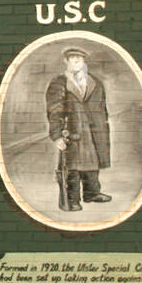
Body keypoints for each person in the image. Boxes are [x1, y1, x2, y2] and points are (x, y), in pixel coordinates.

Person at [45, 47, 111, 211]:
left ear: (84, 61)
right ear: (66, 61)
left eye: (79, 58)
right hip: (73, 131)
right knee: (72, 167)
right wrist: (57, 135)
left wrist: (103, 126)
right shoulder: (59, 83)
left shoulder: (94, 82)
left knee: (92, 162)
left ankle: (92, 193)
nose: (76, 61)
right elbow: (55, 110)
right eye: (72, 58)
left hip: (95, 130)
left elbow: (103, 108)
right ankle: (72, 200)